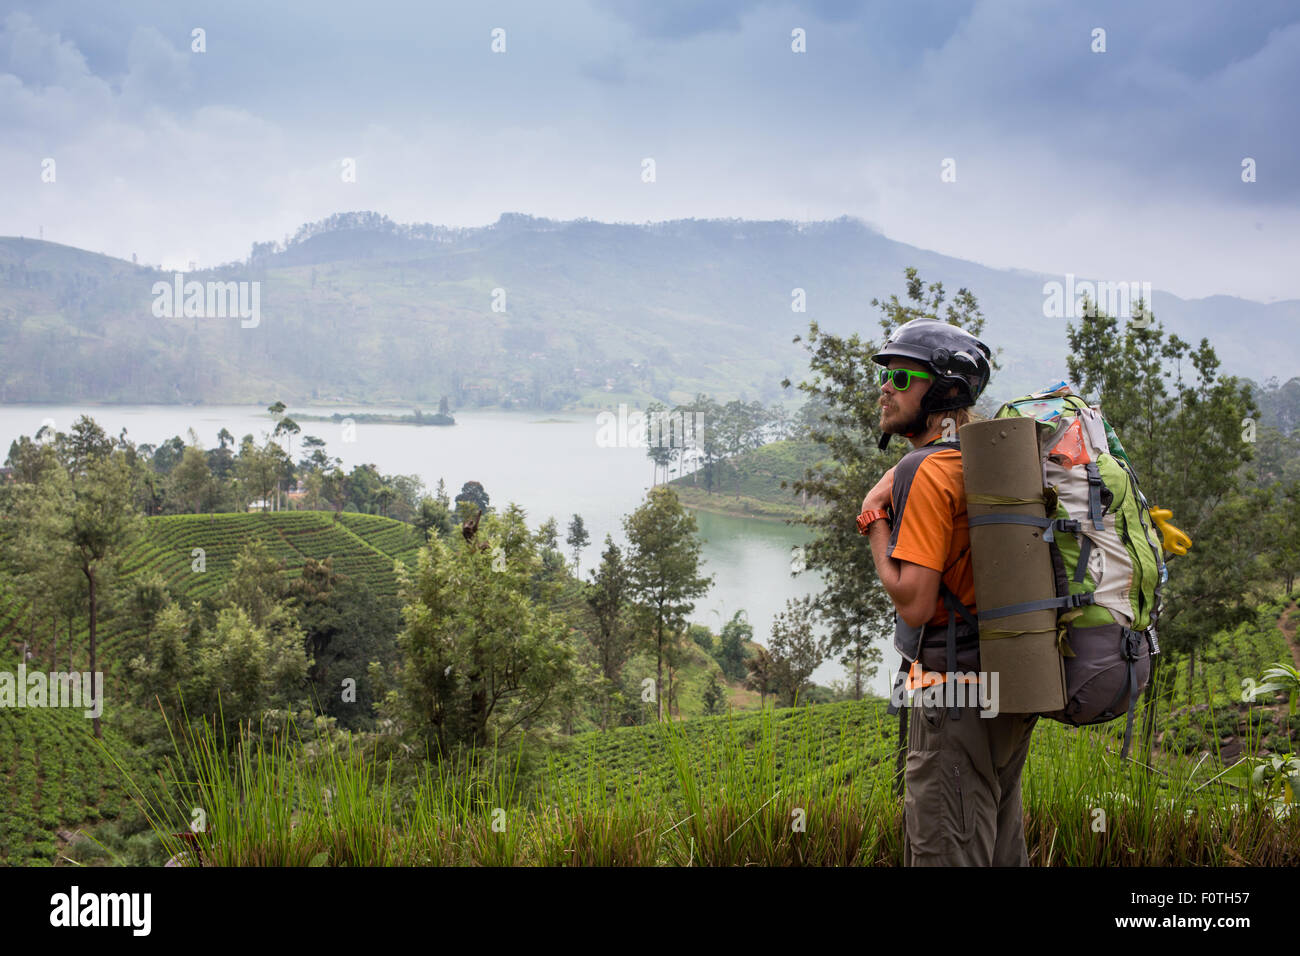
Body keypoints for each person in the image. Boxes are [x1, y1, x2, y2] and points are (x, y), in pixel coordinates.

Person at [857, 318, 1038, 867]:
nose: (886, 385)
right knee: (998, 843)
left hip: (952, 694)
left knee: (947, 845)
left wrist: (872, 518)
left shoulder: (927, 472)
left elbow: (912, 600)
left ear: (940, 390)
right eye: (885, 373)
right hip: (1008, 684)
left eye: (902, 375)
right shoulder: (982, 461)